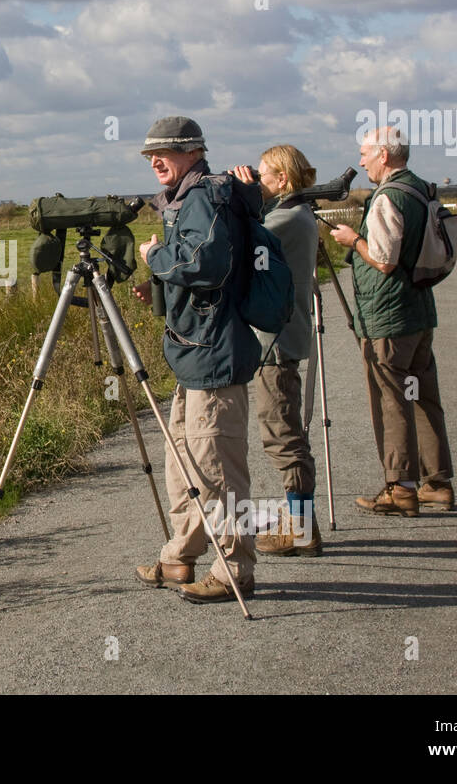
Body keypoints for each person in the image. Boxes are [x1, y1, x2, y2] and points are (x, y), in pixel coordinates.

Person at [129, 115, 264, 603]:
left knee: (219, 472)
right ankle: (179, 556)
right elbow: (197, 268)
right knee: (183, 461)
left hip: (213, 354)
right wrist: (161, 284)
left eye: (164, 153)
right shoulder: (186, 198)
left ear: (193, 152)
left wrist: (154, 257)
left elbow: (203, 262)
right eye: (150, 156)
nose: (155, 162)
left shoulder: (204, 195)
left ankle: (235, 571)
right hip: (194, 352)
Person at [329, 126, 455, 515]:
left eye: (365, 153)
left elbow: (383, 260)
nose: (362, 159)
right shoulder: (420, 188)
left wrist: (353, 241)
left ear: (384, 155)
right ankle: (437, 482)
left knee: (392, 399)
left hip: (388, 318)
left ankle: (400, 488)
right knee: (422, 396)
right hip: (418, 312)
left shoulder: (387, 198)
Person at [230, 145, 323, 555]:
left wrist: (246, 200)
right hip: (283, 336)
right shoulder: (298, 213)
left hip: (277, 344)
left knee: (283, 435)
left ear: (282, 179)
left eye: (263, 175)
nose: (258, 179)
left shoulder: (285, 218)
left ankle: (301, 529)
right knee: (284, 430)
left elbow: (245, 245)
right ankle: (298, 523)